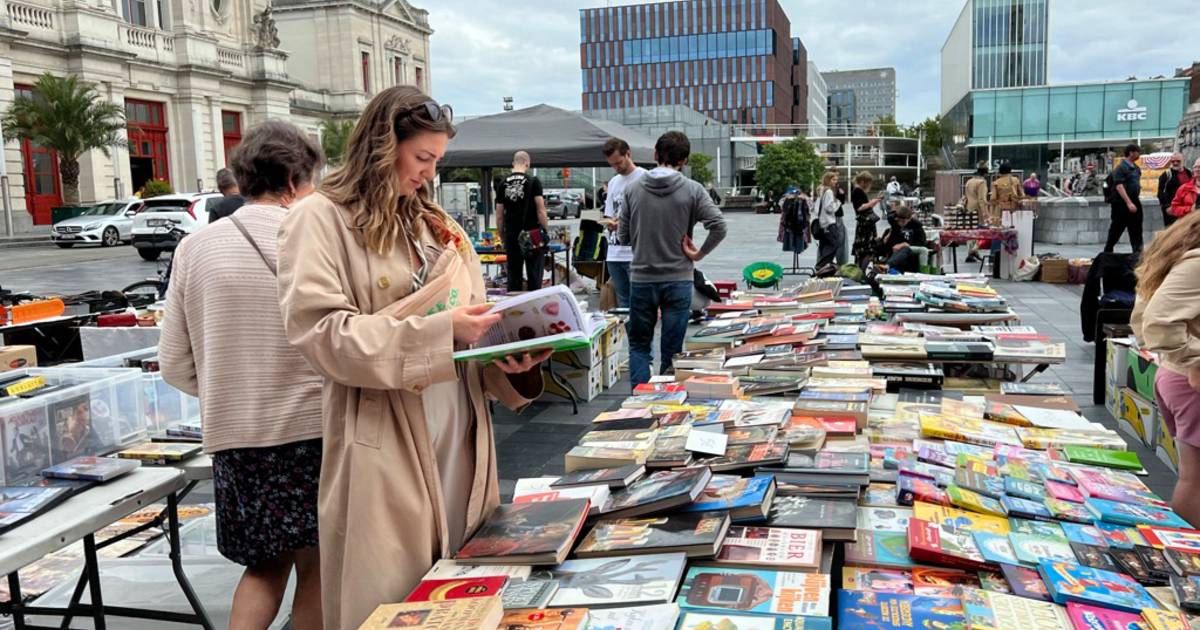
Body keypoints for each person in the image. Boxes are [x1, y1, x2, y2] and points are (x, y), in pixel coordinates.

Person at [275, 86, 549, 629]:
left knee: (462, 590)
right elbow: (321, 334)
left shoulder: (435, 225)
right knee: (392, 596)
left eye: (437, 162)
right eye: (422, 158)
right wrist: (441, 334)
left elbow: (472, 323)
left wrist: (511, 358)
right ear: (382, 146)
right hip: (385, 437)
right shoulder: (320, 219)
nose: (429, 174)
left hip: (460, 427)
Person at [159, 121, 325, 630]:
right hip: (315, 429)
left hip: (237, 437)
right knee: (318, 565)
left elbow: (173, 362)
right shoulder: (317, 240)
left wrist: (227, 388)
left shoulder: (196, 247)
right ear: (296, 179)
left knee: (264, 565)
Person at [619, 131, 727, 387]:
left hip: (642, 278)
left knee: (638, 346)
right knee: (672, 350)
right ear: (685, 161)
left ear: (655, 155)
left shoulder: (632, 189)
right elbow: (719, 226)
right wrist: (698, 254)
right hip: (678, 278)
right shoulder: (693, 190)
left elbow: (623, 237)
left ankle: (639, 401)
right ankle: (665, 403)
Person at [1132, 210, 1200, 527]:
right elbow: (1158, 324)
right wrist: (1194, 357)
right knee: (1194, 481)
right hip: (1190, 380)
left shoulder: (1181, 247)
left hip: (1178, 376)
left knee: (1192, 478)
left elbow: (1145, 317)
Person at [600, 137, 646, 309]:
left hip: (636, 254)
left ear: (628, 154)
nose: (616, 168)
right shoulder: (613, 182)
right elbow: (609, 213)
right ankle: (630, 336)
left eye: (618, 162)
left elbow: (650, 216)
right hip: (614, 253)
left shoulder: (644, 178)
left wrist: (625, 223)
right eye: (612, 164)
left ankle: (640, 336)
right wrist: (609, 222)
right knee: (623, 303)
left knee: (640, 303)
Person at [496, 150, 549, 291]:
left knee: (514, 277)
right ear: (527, 163)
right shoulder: (533, 182)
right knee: (535, 275)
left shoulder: (502, 184)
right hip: (533, 234)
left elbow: (499, 215)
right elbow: (541, 210)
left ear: (513, 163)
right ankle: (535, 308)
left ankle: (515, 310)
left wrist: (502, 236)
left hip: (512, 234)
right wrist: (545, 230)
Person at [1105, 144, 1144, 254]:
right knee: (1117, 229)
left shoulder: (1136, 168)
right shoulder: (1121, 168)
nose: (1139, 154)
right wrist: (1129, 203)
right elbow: (1119, 186)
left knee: (1136, 230)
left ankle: (1138, 254)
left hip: (1134, 200)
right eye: (1138, 152)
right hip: (1121, 203)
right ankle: (1108, 252)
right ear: (1131, 153)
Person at [879, 205, 927, 273]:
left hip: (910, 252)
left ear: (909, 219)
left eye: (904, 221)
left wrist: (905, 244)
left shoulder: (916, 227)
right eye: (899, 221)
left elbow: (922, 243)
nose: (901, 223)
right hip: (894, 253)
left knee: (904, 249)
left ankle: (887, 266)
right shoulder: (894, 223)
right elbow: (890, 215)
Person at [850, 171, 883, 268]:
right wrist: (872, 202)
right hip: (865, 225)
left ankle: (861, 269)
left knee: (865, 250)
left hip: (865, 223)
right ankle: (861, 270)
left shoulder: (858, 191)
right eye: (868, 182)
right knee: (867, 250)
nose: (869, 185)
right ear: (863, 181)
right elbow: (860, 207)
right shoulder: (857, 191)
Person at [814, 170, 844, 271]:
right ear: (829, 180)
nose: (836, 182)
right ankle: (822, 265)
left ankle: (824, 267)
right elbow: (829, 208)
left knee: (825, 246)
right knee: (834, 244)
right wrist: (838, 203)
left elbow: (816, 208)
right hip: (829, 223)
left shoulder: (822, 191)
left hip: (822, 224)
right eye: (834, 179)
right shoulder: (829, 191)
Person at [963, 163, 990, 263]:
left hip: (969, 209)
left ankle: (971, 252)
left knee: (971, 232)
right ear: (985, 173)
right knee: (982, 232)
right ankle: (974, 251)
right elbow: (982, 199)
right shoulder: (982, 182)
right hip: (978, 210)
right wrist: (986, 214)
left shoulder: (969, 181)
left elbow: (966, 196)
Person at [1159, 153, 1194, 227]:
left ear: (1183, 160)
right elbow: (1161, 192)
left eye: (1178, 161)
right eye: (1173, 161)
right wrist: (1167, 207)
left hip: (1188, 209)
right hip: (1172, 209)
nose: (1175, 163)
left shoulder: (1189, 173)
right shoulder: (1167, 175)